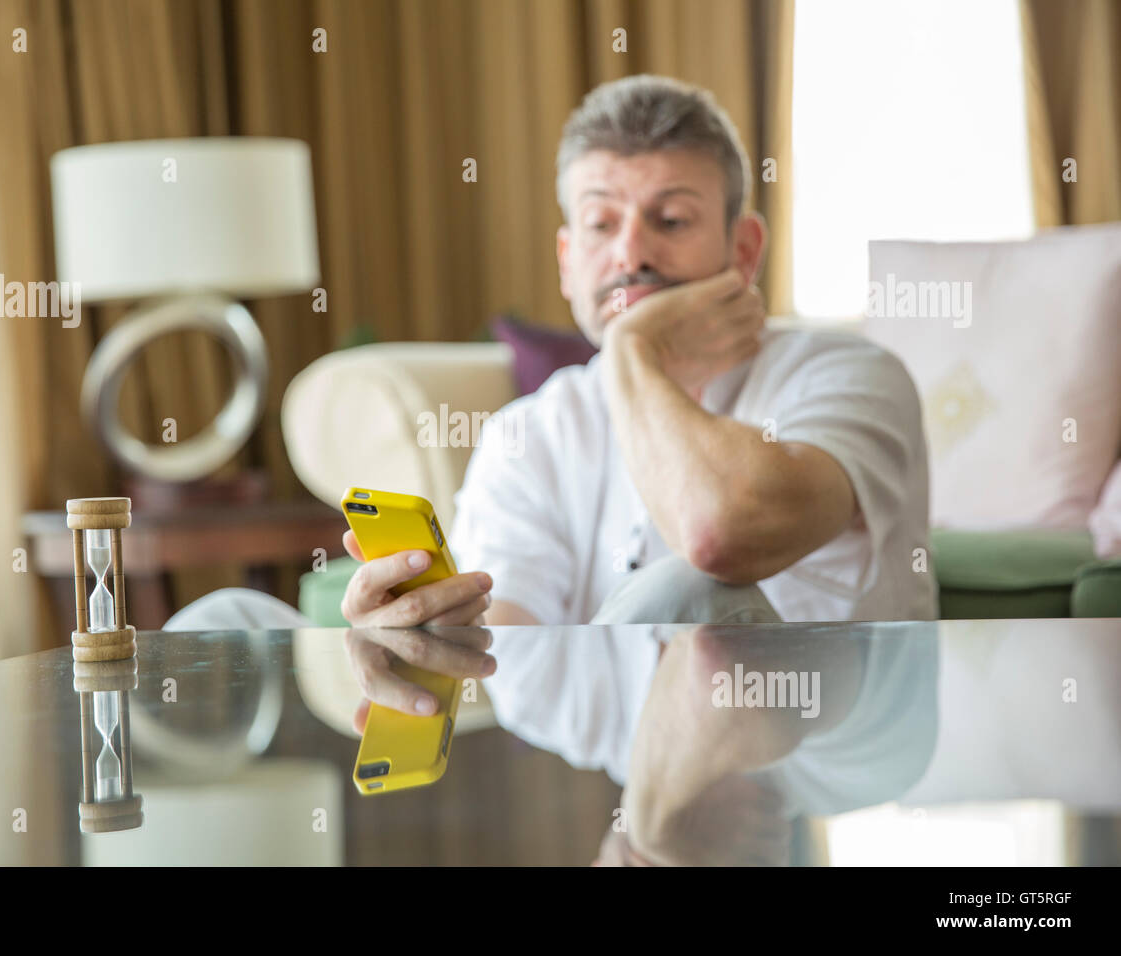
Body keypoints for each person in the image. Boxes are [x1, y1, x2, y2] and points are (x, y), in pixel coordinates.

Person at [169, 74, 937, 862]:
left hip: (823, 757)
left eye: (671, 220)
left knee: (688, 591)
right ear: (569, 261)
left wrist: (635, 349)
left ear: (742, 252)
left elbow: (718, 536)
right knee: (225, 618)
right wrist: (422, 634)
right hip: (608, 770)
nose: (631, 251)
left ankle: (655, 835)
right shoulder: (526, 435)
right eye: (602, 223)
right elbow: (511, 643)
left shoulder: (847, 375)